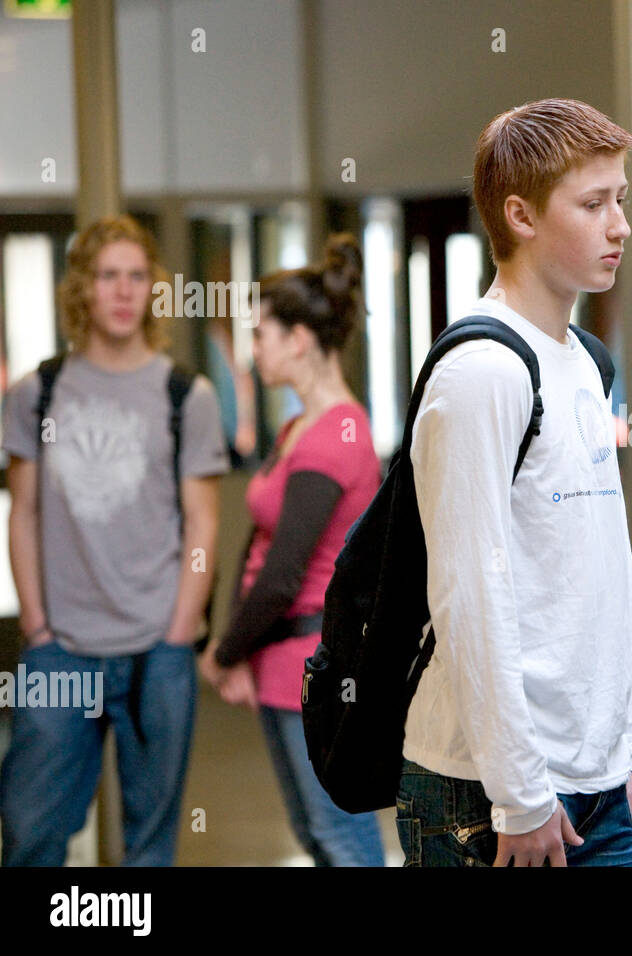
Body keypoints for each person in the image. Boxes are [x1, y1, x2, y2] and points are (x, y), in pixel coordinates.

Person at [398, 98, 632, 867]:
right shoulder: (481, 373)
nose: (619, 225)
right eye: (593, 204)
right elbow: (468, 593)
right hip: (484, 795)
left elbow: (605, 569)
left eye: (621, 200)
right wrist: (519, 793)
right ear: (518, 214)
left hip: (598, 780)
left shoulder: (583, 360)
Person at [0, 215, 228, 866]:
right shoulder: (35, 395)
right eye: (108, 277)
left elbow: (203, 524)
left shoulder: (187, 395)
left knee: (149, 847)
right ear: (83, 290)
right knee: (28, 829)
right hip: (60, 651)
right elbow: (23, 514)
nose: (123, 292)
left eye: (136, 277)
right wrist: (38, 627)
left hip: (158, 650)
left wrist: (179, 631)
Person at [198, 234, 385, 867]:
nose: (253, 352)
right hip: (283, 666)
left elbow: (282, 579)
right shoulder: (296, 427)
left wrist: (223, 655)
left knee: (339, 840)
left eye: (261, 335)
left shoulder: (335, 436)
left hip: (315, 667)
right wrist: (236, 648)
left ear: (299, 340)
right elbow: (259, 545)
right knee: (313, 835)